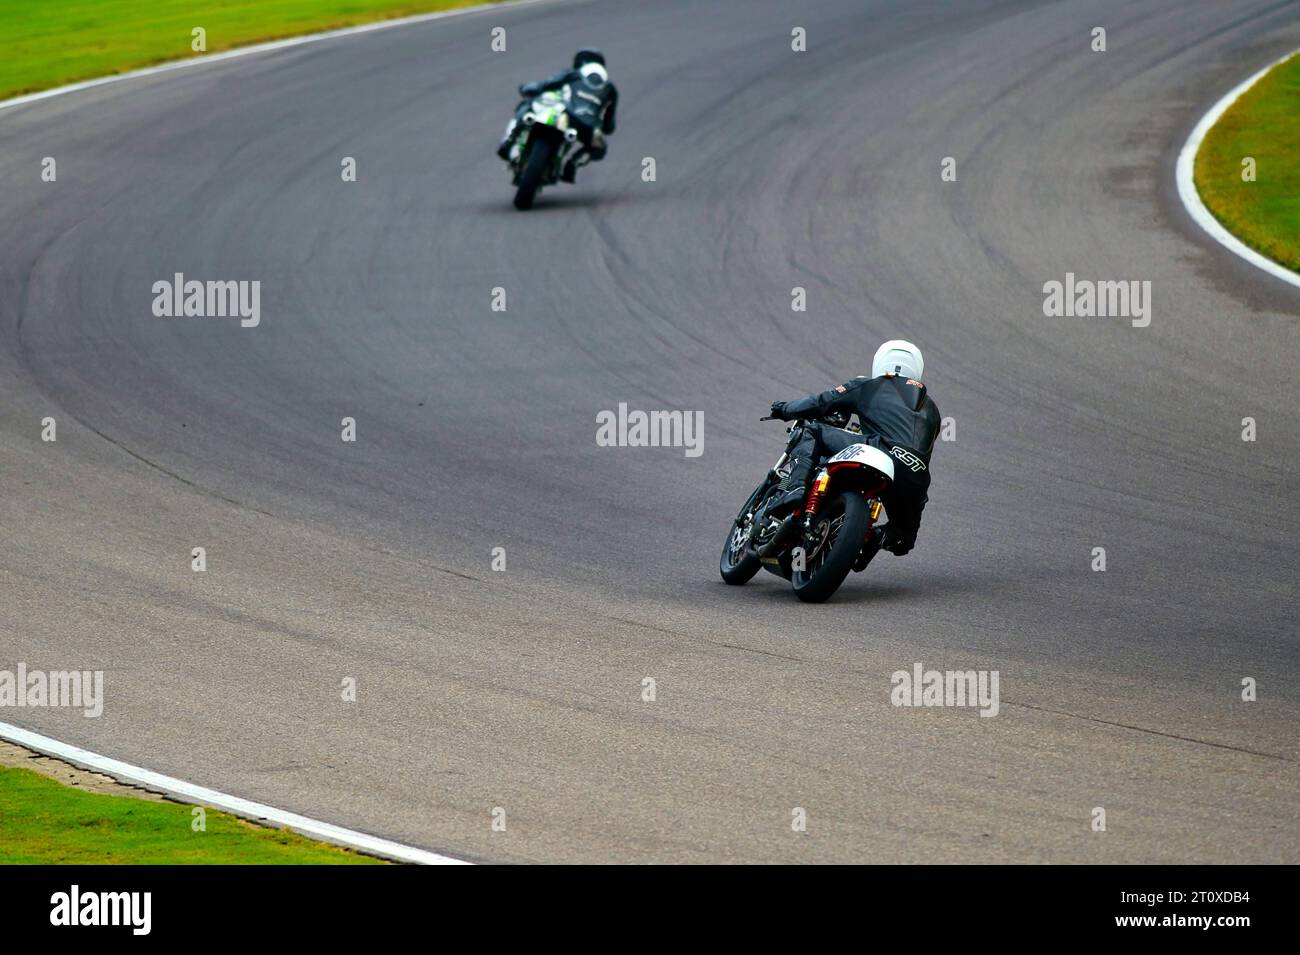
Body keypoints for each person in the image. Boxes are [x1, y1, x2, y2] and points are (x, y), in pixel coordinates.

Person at [766, 340, 940, 556]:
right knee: (903, 538)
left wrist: (784, 409)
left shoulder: (869, 385)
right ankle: (870, 540)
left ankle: (795, 489)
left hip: (881, 449)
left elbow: (821, 402)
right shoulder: (932, 409)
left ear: (881, 362)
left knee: (812, 432)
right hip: (915, 476)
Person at [497, 48, 619, 182]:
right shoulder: (611, 90)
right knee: (599, 148)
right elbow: (609, 126)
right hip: (587, 127)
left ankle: (510, 140)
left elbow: (546, 85)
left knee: (527, 105)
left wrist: (527, 88)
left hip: (567, 114)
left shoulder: (573, 75)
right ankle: (573, 163)